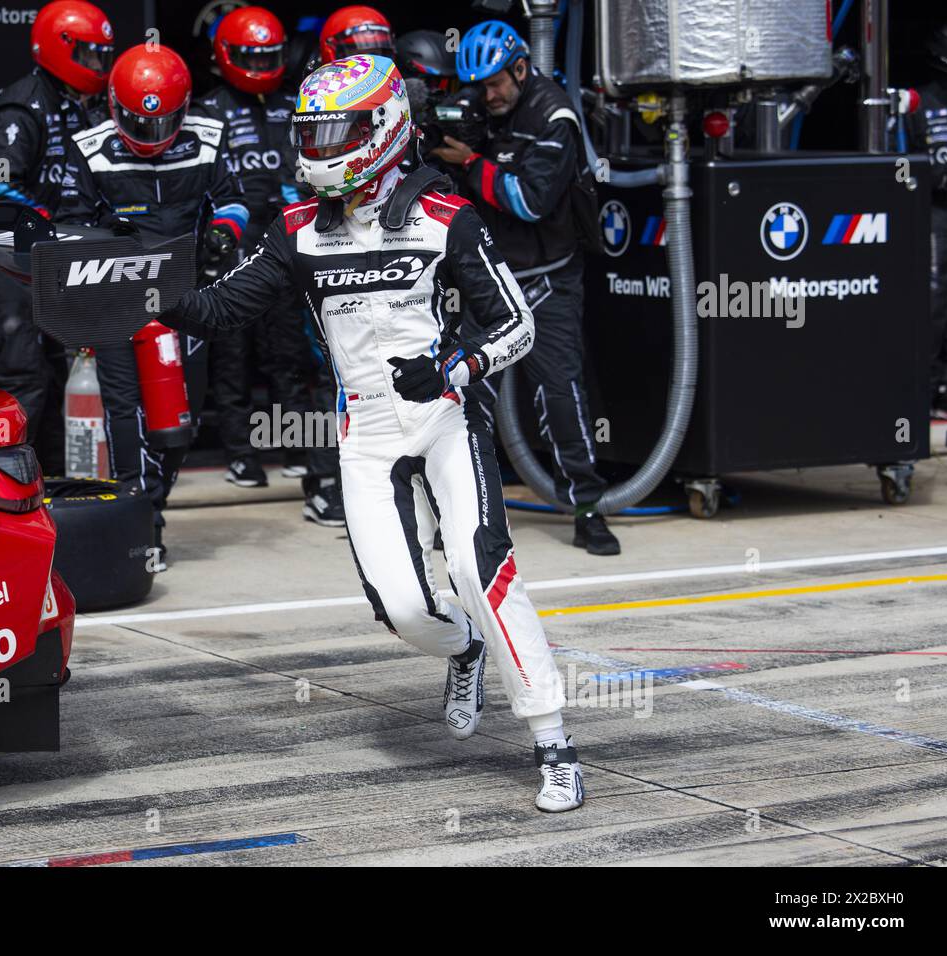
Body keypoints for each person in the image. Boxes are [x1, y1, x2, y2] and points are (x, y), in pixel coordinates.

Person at [159, 55, 584, 812]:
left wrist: (457, 365)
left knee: (482, 572)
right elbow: (223, 310)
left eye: (337, 131)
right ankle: (464, 650)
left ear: (384, 127)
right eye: (312, 132)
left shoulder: (446, 217)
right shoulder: (297, 231)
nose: (321, 146)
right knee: (403, 608)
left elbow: (515, 325)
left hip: (448, 417)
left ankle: (553, 742)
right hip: (366, 428)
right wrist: (157, 301)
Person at [432, 20, 620, 556]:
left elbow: (530, 201)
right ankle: (460, 514)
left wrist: (471, 163)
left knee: (560, 393)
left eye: (494, 84)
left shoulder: (553, 114)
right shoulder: (481, 109)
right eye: (477, 86)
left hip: (548, 279)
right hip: (489, 281)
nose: (485, 96)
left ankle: (587, 509)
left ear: (520, 68)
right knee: (464, 397)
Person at [72, 43, 248, 567]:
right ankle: (138, 520)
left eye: (161, 124)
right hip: (113, 298)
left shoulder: (209, 141)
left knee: (177, 421)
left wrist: (224, 232)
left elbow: (236, 201)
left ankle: (156, 503)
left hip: (182, 298)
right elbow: (66, 223)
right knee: (124, 412)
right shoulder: (89, 148)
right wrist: (99, 242)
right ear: (113, 106)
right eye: (137, 124)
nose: (149, 138)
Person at [198, 7, 345, 526]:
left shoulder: (295, 100)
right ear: (226, 56)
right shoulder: (207, 108)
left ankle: (297, 448)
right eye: (250, 56)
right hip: (233, 240)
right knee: (232, 354)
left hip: (290, 236)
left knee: (290, 357)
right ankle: (241, 453)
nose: (261, 64)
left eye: (269, 55)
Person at [0, 0, 115, 475]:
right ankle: (2, 481)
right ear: (62, 49)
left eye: (104, 55)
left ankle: (51, 478)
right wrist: (55, 228)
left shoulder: (84, 106)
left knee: (58, 372)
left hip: (51, 259)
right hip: (3, 257)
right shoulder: (21, 106)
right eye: (92, 55)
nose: (100, 66)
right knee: (23, 377)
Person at [917, 18, 947, 414]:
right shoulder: (920, 103)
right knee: (933, 297)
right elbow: (895, 165)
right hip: (933, 212)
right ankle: (920, 387)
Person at [317, 5, 396, 63]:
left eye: (374, 54)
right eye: (358, 56)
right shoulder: (319, 85)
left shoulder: (400, 83)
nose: (368, 63)